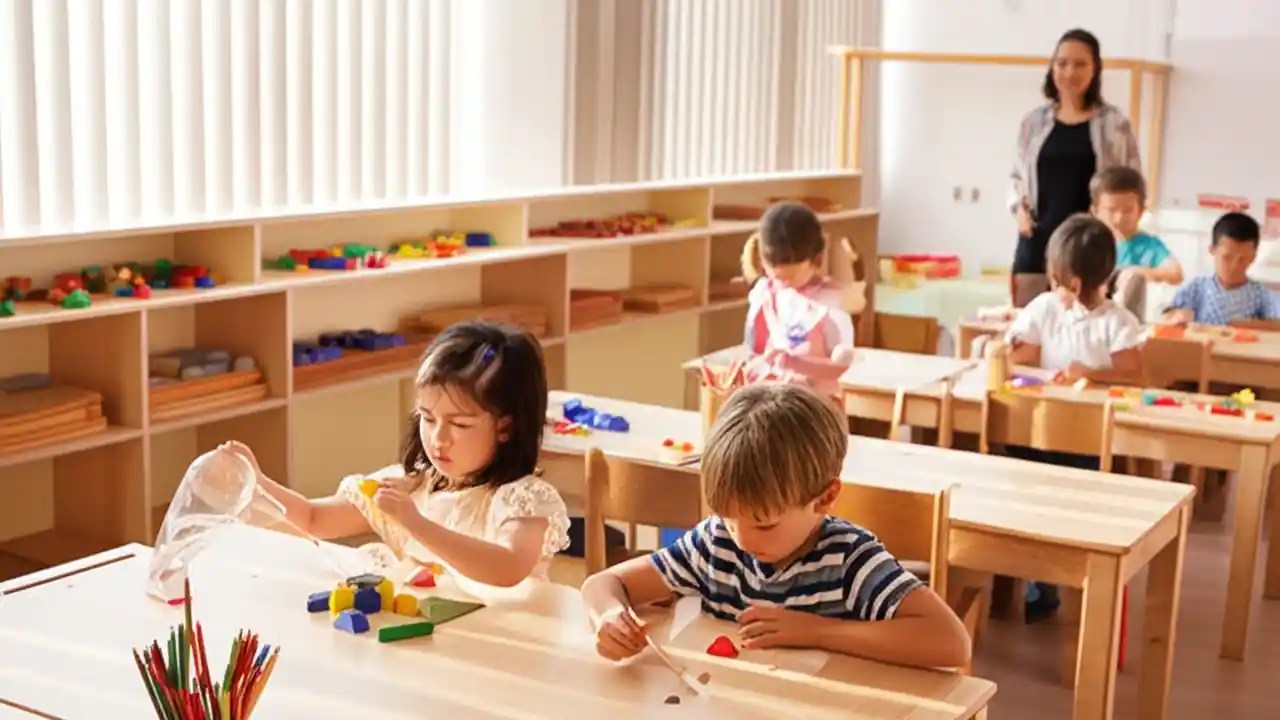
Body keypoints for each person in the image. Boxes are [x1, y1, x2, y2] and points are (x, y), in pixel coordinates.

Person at [580, 383, 970, 670]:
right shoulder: (715, 543)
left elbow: (951, 643)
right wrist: (609, 617)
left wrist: (817, 631)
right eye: (729, 519)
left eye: (764, 525)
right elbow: (603, 584)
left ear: (825, 497)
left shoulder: (849, 558)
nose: (743, 539)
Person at [230, 321, 571, 589]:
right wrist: (256, 483)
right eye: (427, 418)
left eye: (460, 424)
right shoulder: (413, 486)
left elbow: (506, 568)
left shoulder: (522, 499)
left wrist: (415, 522)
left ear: (505, 428)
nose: (439, 439)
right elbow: (313, 520)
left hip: (508, 650)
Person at [1001, 213, 1145, 620]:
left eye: (1058, 278)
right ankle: (1032, 579)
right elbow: (1023, 356)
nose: (1053, 285)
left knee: (1066, 502)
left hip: (1086, 440)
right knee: (1019, 484)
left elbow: (1134, 375)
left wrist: (1091, 372)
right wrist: (1009, 347)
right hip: (1036, 430)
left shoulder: (1116, 322)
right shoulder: (1046, 308)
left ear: (1076, 282)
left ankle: (1054, 579)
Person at [1008, 28, 1141, 308]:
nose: (1070, 72)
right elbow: (1016, 177)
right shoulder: (1033, 123)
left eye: (1080, 64)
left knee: (1083, 329)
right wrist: (1017, 209)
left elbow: (1132, 183)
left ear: (1095, 69)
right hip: (1036, 242)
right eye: (1062, 63)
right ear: (1052, 67)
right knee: (1028, 328)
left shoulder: (1114, 124)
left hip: (1087, 247)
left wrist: (1118, 222)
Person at [740, 202, 859, 392]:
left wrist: (796, 363)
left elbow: (845, 368)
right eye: (778, 277)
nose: (784, 283)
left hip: (816, 406)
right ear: (762, 262)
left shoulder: (829, 305)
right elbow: (754, 350)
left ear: (817, 259)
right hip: (775, 398)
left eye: (792, 277)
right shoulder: (766, 295)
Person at [1090, 166, 1183, 319]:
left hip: (1130, 324)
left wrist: (1138, 272)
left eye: (1127, 210)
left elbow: (1176, 273)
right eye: (1111, 210)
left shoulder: (1149, 246)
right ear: (1095, 211)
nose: (1119, 218)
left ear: (1141, 210)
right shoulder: (1089, 244)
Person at [1161, 212, 1280, 325]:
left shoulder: (1261, 294)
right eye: (1227, 258)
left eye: (1242, 259)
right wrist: (1177, 316)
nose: (1234, 266)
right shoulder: (1195, 288)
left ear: (1253, 257)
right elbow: (1169, 316)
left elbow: (1275, 323)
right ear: (1212, 250)